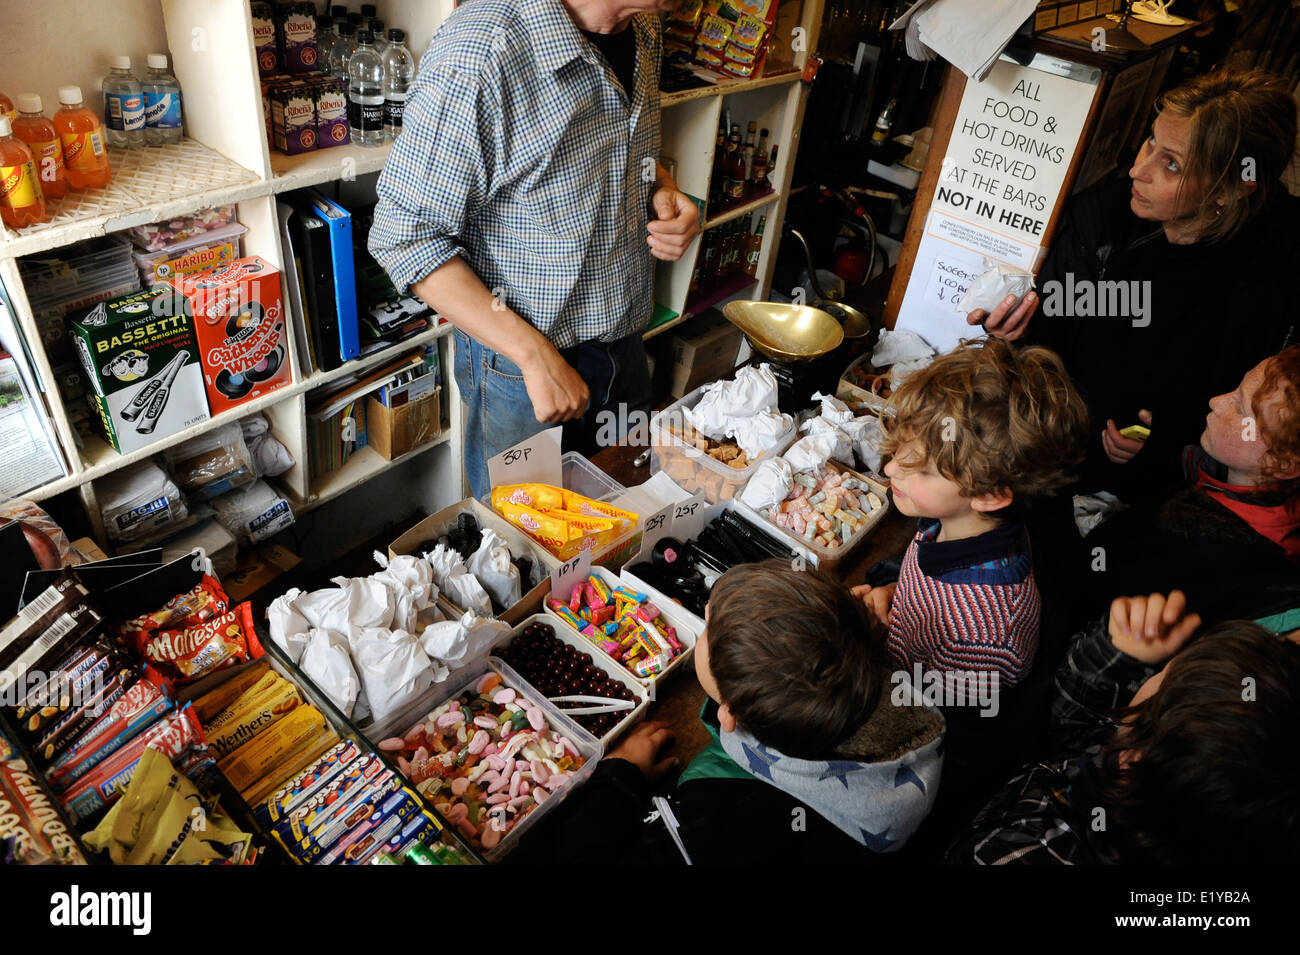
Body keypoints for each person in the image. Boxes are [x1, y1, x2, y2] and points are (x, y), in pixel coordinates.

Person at [369, 0, 700, 500]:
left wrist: (660, 188)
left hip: (625, 343)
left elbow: (628, 148)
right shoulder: (481, 51)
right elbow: (404, 235)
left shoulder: (643, 23)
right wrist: (533, 355)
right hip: (521, 372)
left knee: (623, 519)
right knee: (529, 552)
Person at [968, 67, 1300, 503]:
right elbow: (1057, 337)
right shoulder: (1103, 221)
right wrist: (1018, 330)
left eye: (1172, 164)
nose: (1136, 171)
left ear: (1232, 189)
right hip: (1064, 449)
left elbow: (1266, 418)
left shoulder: (1280, 267)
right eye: (1150, 141)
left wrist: (1172, 443)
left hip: (1170, 493)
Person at [551, 560, 944, 864]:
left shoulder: (717, 826)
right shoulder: (881, 689)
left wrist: (618, 779)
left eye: (708, 627)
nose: (704, 620)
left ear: (730, 716)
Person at [947, 591, 1300, 864]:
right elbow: (1078, 735)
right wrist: (1119, 656)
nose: (1158, 670)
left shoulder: (1011, 855)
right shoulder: (1162, 763)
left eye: (1162, 673)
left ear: (1131, 761)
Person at [858, 338, 1089, 689]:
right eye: (900, 449)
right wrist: (893, 599)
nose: (890, 470)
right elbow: (923, 592)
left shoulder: (985, 640)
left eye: (920, 469)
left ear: (988, 494)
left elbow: (921, 713)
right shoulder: (952, 521)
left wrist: (870, 641)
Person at [1077, 346, 1300, 627]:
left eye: (1242, 410)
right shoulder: (1230, 478)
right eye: (1235, 391)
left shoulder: (1230, 566)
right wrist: (1152, 455)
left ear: (1284, 464)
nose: (1218, 401)